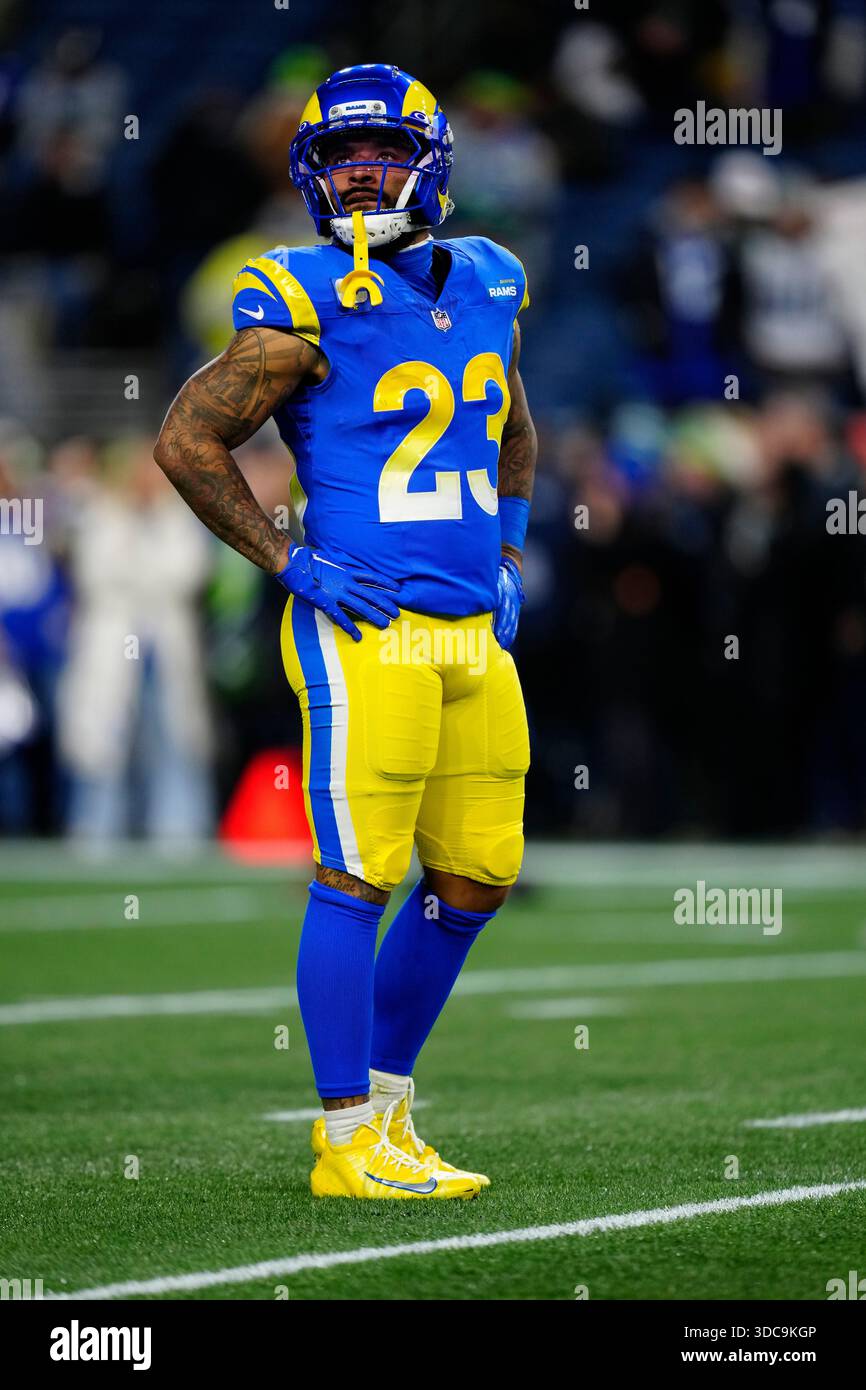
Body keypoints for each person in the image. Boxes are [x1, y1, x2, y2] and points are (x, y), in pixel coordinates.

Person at [154, 63, 537, 1200]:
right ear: (308, 176)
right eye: (338, 158)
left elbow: (509, 418)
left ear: (432, 161)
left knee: (474, 871)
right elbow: (186, 439)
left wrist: (509, 546)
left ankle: (391, 1109)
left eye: (379, 152)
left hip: (473, 628)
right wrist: (288, 558)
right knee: (355, 873)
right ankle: (340, 1138)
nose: (360, 174)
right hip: (367, 623)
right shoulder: (298, 294)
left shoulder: (490, 275)